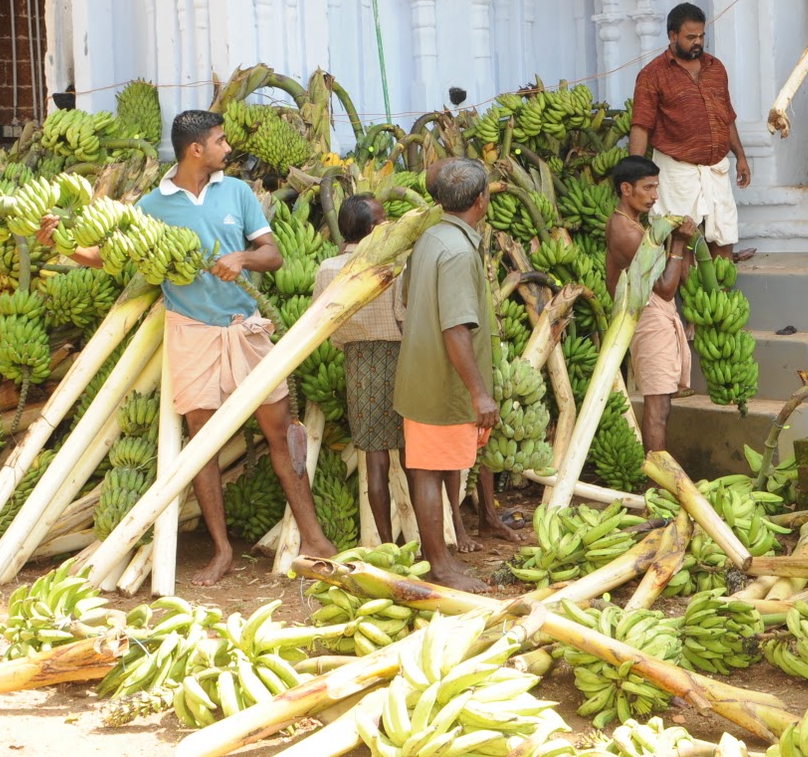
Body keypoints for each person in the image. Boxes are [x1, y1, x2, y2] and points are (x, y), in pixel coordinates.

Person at [51, 110, 334, 585]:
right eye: (221, 141)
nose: (228, 148)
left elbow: (273, 255)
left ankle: (313, 536)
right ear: (195, 150)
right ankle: (221, 550)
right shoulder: (152, 206)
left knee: (281, 431)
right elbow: (103, 258)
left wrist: (242, 257)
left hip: (246, 328)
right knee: (202, 444)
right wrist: (60, 240)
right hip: (192, 332)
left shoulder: (237, 192)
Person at [394, 157, 517, 592]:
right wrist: (479, 393)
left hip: (421, 374)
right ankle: (440, 567)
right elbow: (456, 326)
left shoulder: (430, 237)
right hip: (441, 381)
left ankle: (440, 561)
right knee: (428, 472)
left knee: (427, 469)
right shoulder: (459, 251)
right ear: (482, 201)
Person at [629, 2, 754, 262]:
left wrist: (740, 156)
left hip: (716, 170)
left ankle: (721, 298)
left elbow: (727, 117)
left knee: (723, 237)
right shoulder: (652, 75)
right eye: (690, 37)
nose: (698, 42)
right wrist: (636, 174)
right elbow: (641, 126)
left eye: (701, 36)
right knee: (680, 241)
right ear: (672, 36)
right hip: (676, 172)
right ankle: (685, 299)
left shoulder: (715, 68)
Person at [313, 194, 405, 547]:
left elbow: (325, 322)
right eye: (381, 221)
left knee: (375, 461)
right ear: (369, 231)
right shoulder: (392, 267)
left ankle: (386, 543)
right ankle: (429, 541)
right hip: (398, 357)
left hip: (358, 363)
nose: (386, 226)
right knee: (413, 456)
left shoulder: (327, 269)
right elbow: (403, 316)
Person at [605, 155, 698, 452]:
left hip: (654, 316)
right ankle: (655, 487)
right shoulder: (627, 233)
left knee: (664, 406)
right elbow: (666, 288)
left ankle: (658, 480)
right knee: (657, 411)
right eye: (647, 188)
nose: (654, 196)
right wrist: (680, 244)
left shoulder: (636, 225)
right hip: (647, 318)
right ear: (626, 189)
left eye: (656, 187)